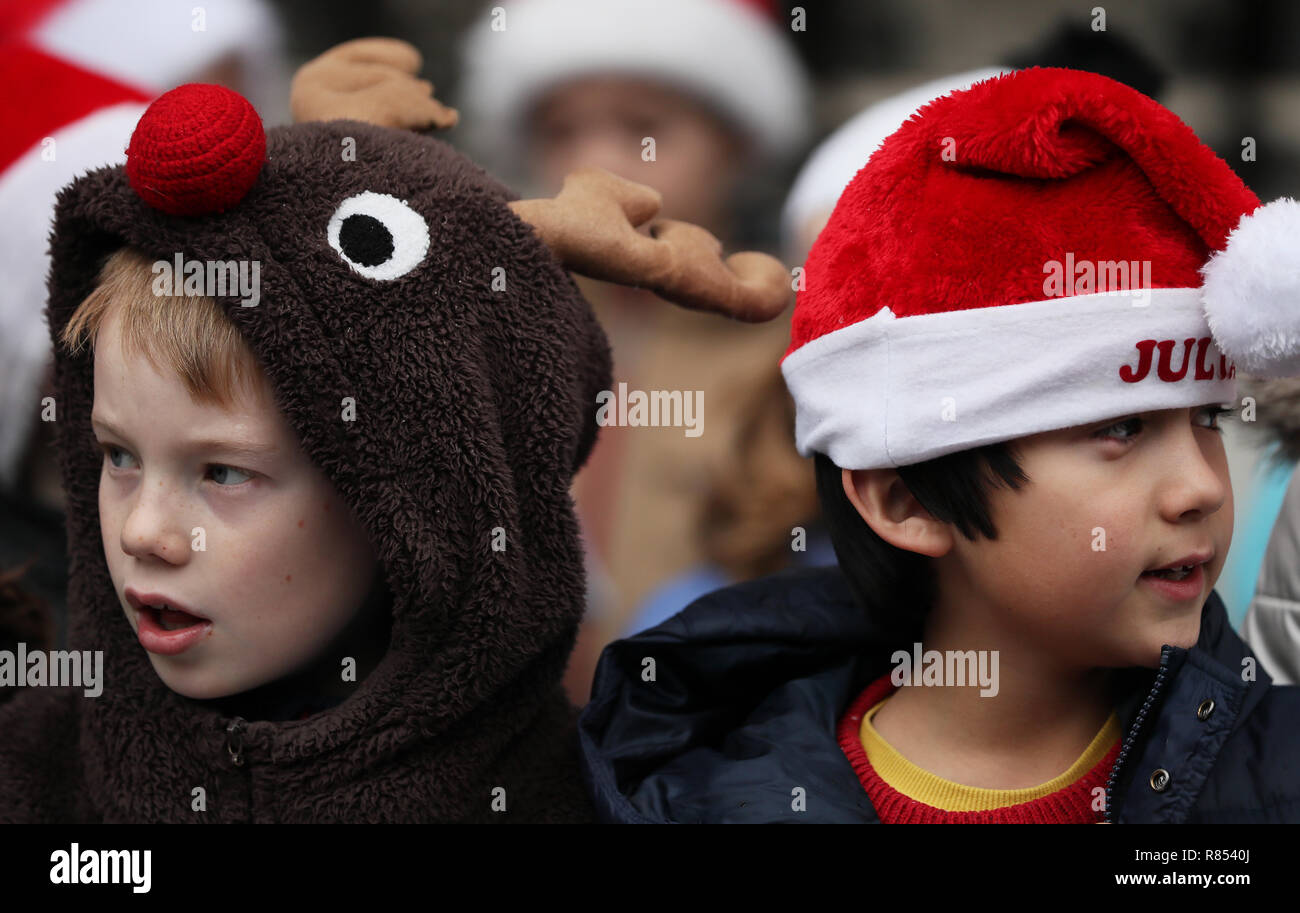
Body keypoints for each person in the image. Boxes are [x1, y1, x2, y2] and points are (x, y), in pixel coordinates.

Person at [0, 38, 789, 822]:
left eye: (223, 471)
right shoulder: (31, 772)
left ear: (420, 495)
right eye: (118, 456)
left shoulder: (564, 803)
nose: (144, 530)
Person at [578, 68, 1300, 823]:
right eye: (1120, 428)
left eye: (1206, 420)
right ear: (906, 498)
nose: (1204, 487)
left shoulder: (1270, 780)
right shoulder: (694, 798)